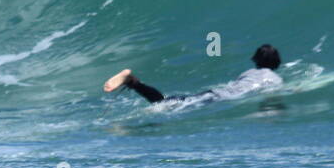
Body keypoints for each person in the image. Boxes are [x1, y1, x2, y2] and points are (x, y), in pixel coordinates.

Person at [104, 44, 284, 105]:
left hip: (214, 93)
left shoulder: (250, 72)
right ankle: (133, 82)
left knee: (166, 101)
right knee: (163, 104)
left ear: (256, 60)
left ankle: (134, 82)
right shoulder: (275, 79)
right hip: (217, 99)